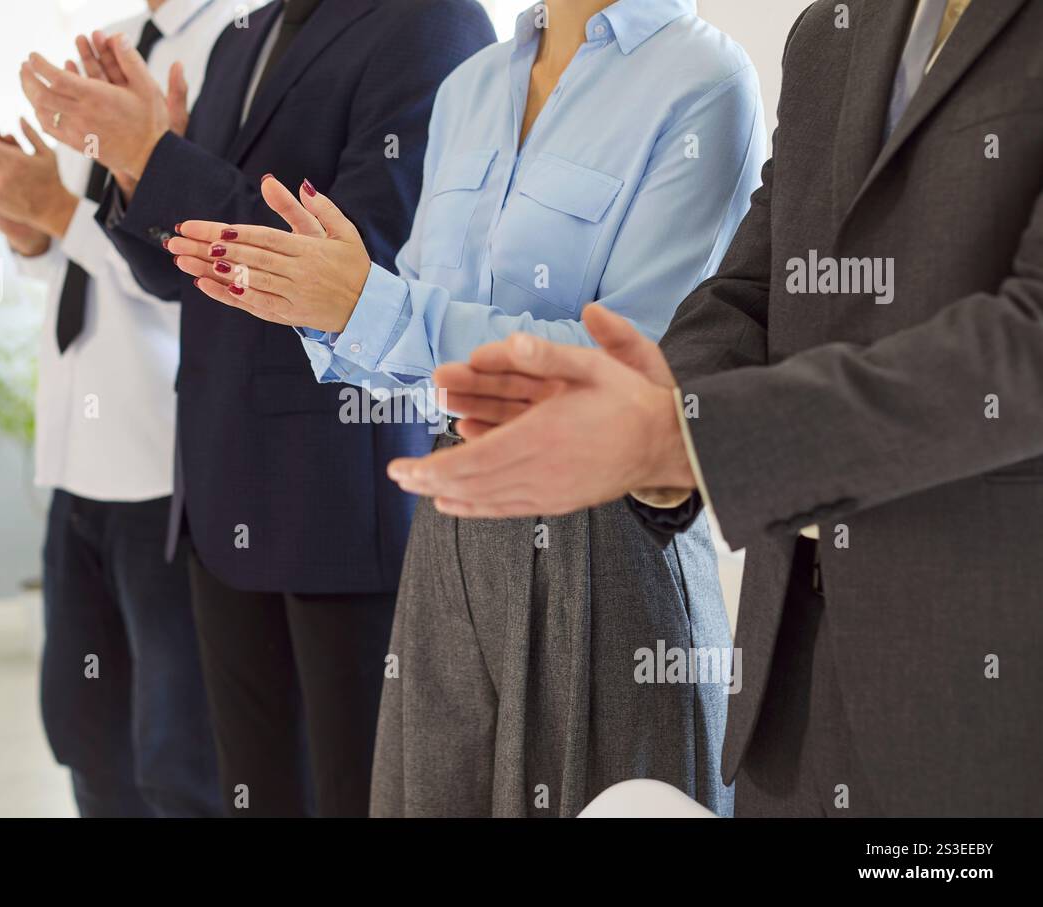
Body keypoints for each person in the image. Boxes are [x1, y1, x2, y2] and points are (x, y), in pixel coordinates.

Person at [381, 0, 1043, 817]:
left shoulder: (703, 74)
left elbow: (1026, 345)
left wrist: (685, 436)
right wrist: (656, 412)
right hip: (793, 697)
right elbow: (751, 289)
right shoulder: (832, 30)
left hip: (998, 697)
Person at [169, 0, 765, 816]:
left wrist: (371, 307)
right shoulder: (472, 85)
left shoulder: (705, 80)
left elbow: (644, 371)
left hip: (613, 531)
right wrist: (326, 302)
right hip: (447, 524)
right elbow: (406, 351)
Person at [16, 0, 496, 816]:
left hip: (340, 501)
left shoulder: (434, 21)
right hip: (217, 493)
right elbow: (179, 274)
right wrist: (141, 167)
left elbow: (367, 271)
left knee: (354, 793)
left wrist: (152, 153)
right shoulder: (253, 29)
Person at [0, 0, 241, 817]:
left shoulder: (238, 43)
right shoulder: (106, 46)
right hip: (77, 465)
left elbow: (198, 275)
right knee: (84, 736)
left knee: (178, 761)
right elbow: (81, 260)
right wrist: (30, 231)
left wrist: (60, 214)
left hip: (165, 469)